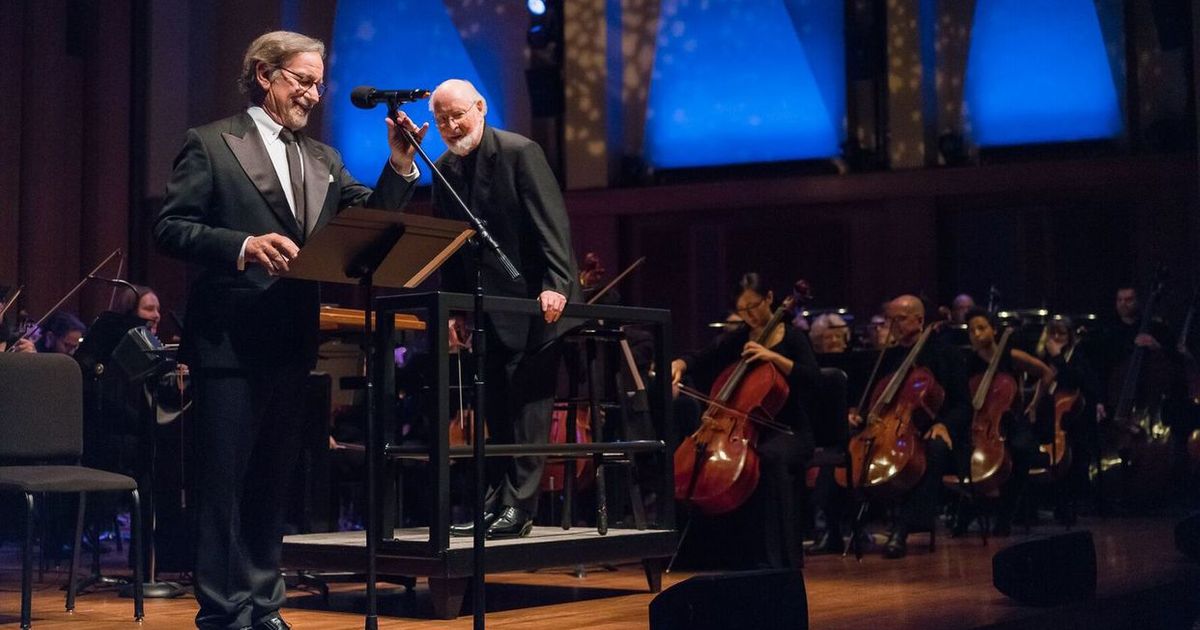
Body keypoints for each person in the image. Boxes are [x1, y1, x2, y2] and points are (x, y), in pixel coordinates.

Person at [153, 30, 422, 630]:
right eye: (302, 79)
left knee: (273, 483)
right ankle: (223, 611)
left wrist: (400, 164)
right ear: (264, 74)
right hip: (229, 341)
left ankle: (264, 604)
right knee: (223, 484)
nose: (313, 93)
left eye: (319, 83)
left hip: (293, 339)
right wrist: (242, 244)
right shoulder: (211, 144)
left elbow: (371, 215)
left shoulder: (323, 158)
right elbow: (169, 228)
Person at [427, 79, 577, 540]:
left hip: (535, 302)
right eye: (442, 119)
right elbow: (449, 245)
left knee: (529, 409)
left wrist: (558, 285)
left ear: (480, 107)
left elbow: (551, 224)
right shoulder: (445, 168)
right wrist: (454, 310)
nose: (451, 126)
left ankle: (521, 507)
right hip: (484, 307)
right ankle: (495, 502)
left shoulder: (519, 151)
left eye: (458, 115)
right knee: (492, 408)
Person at [670, 272, 820, 569]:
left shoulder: (793, 337)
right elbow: (702, 355)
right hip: (748, 431)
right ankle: (721, 552)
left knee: (768, 458)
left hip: (791, 431)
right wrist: (679, 363)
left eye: (754, 307)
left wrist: (773, 357)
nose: (749, 315)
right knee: (711, 467)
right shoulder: (740, 337)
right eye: (743, 310)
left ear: (769, 298)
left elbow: (814, 378)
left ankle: (777, 557)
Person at [849, 294, 971, 559]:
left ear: (919, 319)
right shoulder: (887, 357)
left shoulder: (945, 353)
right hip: (894, 430)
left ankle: (903, 529)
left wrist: (944, 424)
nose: (893, 325)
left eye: (900, 319)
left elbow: (963, 404)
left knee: (933, 449)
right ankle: (842, 527)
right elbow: (872, 401)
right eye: (890, 319)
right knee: (849, 445)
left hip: (936, 431)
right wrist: (858, 415)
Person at [962, 308, 1055, 535]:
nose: (976, 334)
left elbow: (1047, 373)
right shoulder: (968, 363)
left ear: (994, 330)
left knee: (1021, 450)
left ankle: (1006, 513)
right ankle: (966, 511)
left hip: (1011, 420)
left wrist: (1034, 403)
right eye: (971, 330)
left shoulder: (1010, 356)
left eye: (981, 328)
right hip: (982, 424)